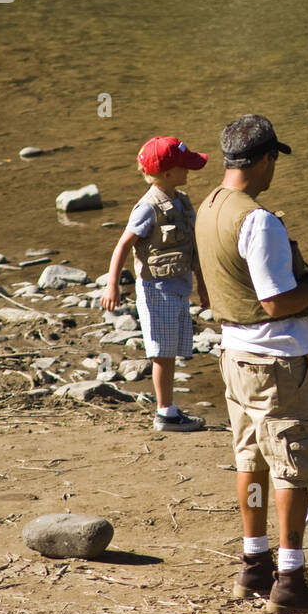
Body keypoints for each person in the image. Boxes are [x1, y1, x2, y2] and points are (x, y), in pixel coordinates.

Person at [194, 114, 308, 614]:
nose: (273, 172)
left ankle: (255, 565)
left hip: (233, 355)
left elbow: (217, 287)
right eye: (274, 162)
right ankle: (290, 580)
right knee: (292, 461)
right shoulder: (257, 219)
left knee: (250, 458)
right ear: (265, 159)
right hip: (274, 361)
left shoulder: (208, 207)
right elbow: (275, 302)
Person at [101, 136, 209, 433]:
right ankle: (165, 413)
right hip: (155, 290)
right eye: (184, 167)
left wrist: (203, 285)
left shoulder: (181, 201)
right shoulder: (148, 207)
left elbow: (193, 248)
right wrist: (112, 284)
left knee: (171, 351)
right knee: (162, 352)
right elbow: (123, 245)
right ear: (167, 173)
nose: (189, 172)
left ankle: (169, 408)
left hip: (179, 287)